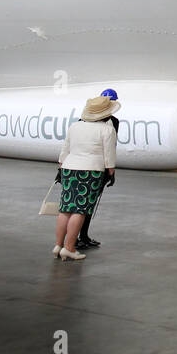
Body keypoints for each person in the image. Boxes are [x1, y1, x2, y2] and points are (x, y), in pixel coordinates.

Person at [53, 94, 119, 261]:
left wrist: (61, 167)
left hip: (69, 168)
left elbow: (65, 149)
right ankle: (69, 248)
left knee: (66, 208)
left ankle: (58, 245)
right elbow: (109, 156)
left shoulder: (75, 126)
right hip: (91, 170)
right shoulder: (107, 129)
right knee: (80, 210)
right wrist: (111, 172)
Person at [77, 87, 119, 250]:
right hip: (88, 167)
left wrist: (110, 170)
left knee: (90, 203)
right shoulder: (82, 122)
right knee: (80, 205)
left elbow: (111, 147)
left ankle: (83, 235)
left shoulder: (114, 122)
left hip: (98, 167)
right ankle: (74, 238)